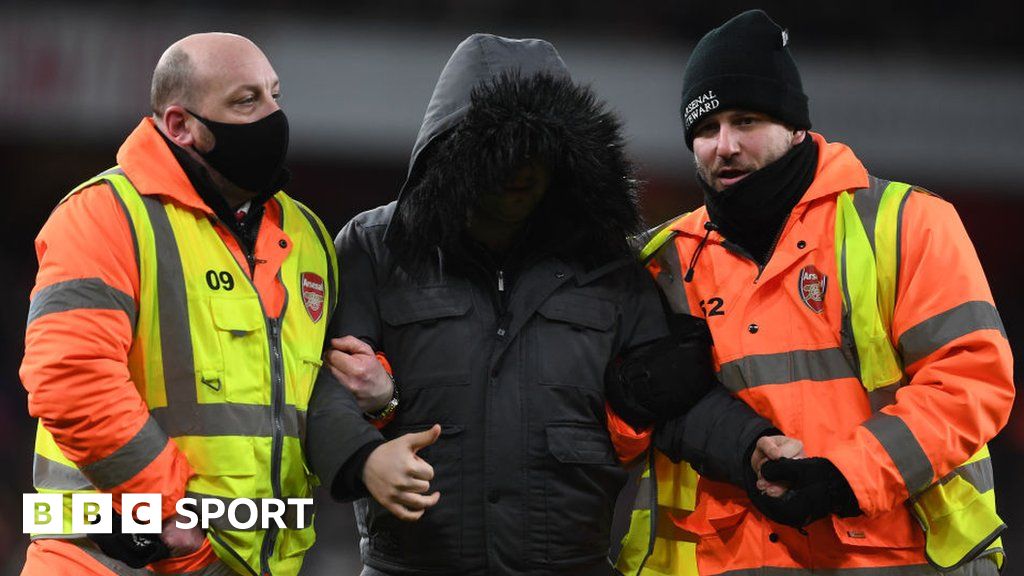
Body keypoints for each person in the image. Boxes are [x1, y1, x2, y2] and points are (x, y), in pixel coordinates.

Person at [614, 9, 1015, 576]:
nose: (723, 146)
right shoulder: (661, 262)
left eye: (745, 120)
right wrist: (627, 403)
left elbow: (974, 380)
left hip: (896, 557)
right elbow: (612, 435)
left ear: (796, 125)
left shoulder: (908, 223)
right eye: (705, 129)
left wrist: (847, 475)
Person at [304, 33, 722, 576]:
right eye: (501, 150)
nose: (522, 170)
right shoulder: (375, 248)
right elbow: (317, 385)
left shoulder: (610, 264)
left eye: (539, 150)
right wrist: (365, 457)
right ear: (454, 153)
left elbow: (674, 406)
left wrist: (754, 444)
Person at [18, 32, 422, 576]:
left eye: (275, 95)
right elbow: (70, 377)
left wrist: (380, 402)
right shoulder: (103, 215)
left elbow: (315, 385)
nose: (273, 116)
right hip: (116, 561)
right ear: (181, 125)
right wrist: (165, 509)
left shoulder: (306, 234)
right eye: (245, 101)